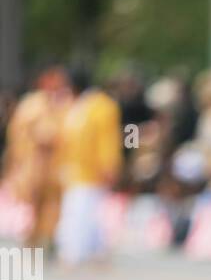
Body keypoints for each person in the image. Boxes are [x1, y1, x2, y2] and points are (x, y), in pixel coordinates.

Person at [54, 68, 123, 265]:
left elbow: (108, 139)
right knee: (85, 212)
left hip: (92, 171)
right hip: (74, 170)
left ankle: (75, 253)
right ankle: (93, 251)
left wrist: (109, 165)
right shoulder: (75, 106)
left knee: (82, 212)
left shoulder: (102, 106)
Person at [3, 65, 71, 251]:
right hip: (32, 167)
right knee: (32, 207)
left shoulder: (62, 103)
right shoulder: (32, 104)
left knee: (52, 207)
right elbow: (24, 134)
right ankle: (32, 241)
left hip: (55, 168)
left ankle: (47, 241)